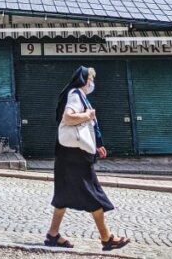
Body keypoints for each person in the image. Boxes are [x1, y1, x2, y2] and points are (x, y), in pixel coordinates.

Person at [45, 66, 130, 252]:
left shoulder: (77, 95)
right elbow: (68, 118)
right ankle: (107, 238)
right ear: (83, 80)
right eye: (90, 78)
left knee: (63, 194)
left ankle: (52, 234)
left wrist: (97, 143)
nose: (92, 82)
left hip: (67, 153)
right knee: (93, 193)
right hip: (75, 155)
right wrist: (88, 115)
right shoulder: (75, 94)